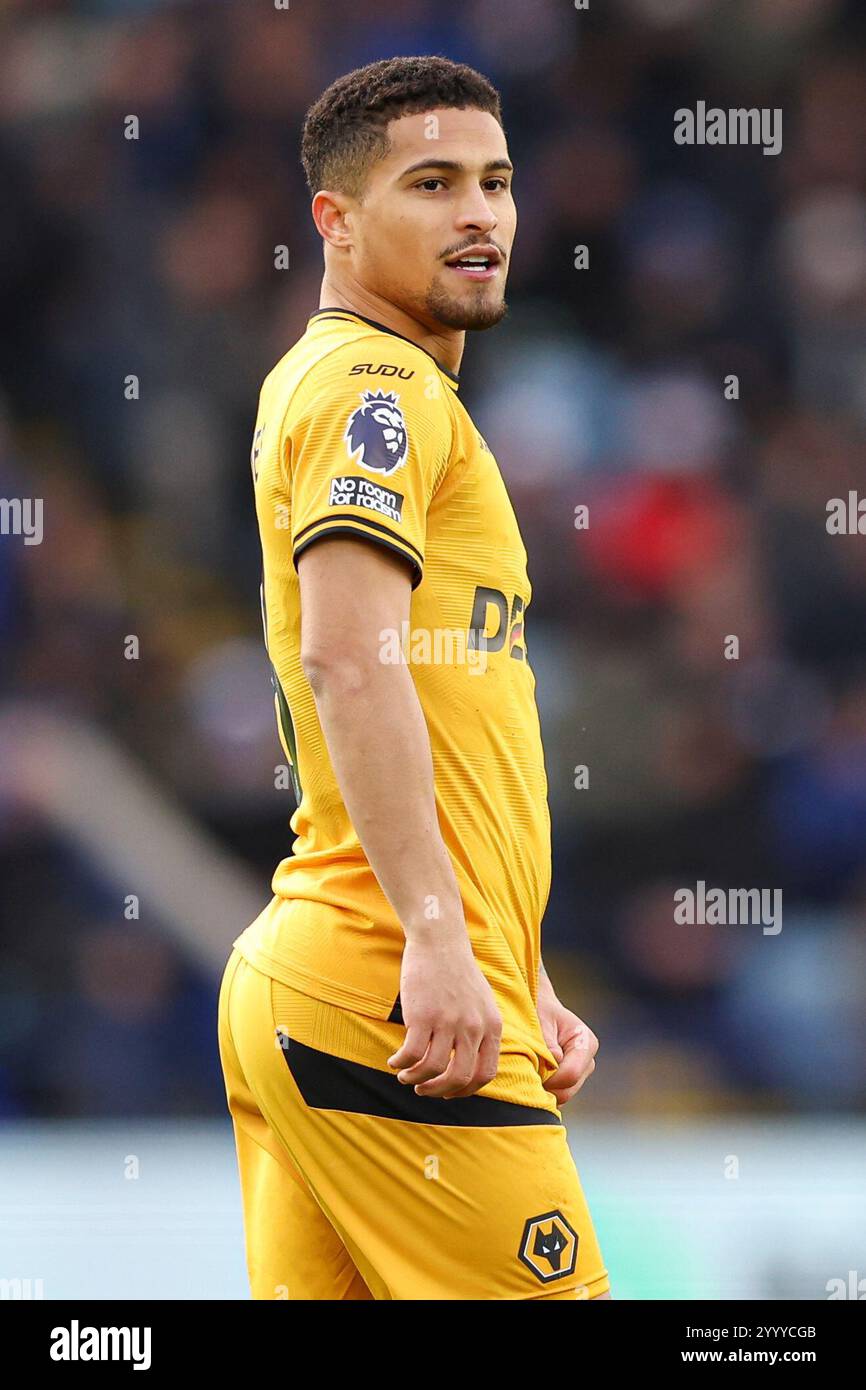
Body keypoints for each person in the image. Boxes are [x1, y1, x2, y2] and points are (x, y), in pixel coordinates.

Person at [217, 54, 610, 1301]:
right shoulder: (374, 388)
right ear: (333, 220)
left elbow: (447, 711)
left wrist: (521, 964)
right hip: (385, 985)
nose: (479, 213)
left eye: (494, 182)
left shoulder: (374, 390)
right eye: (431, 184)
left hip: (338, 976)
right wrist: (443, 943)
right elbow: (347, 657)